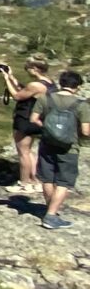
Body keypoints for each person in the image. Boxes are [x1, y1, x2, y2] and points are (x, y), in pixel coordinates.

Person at [29, 68, 85, 230]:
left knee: (47, 178)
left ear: (61, 83)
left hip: (47, 143)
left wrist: (47, 128)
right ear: (77, 86)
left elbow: (34, 119)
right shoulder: (80, 105)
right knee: (64, 181)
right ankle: (51, 216)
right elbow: (86, 131)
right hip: (69, 147)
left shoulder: (45, 99)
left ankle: (49, 209)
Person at [0, 56, 54, 194]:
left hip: (25, 119)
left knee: (23, 153)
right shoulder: (49, 83)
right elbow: (24, 90)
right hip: (39, 120)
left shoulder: (35, 85)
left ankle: (24, 183)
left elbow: (18, 96)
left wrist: (6, 80)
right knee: (29, 151)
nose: (27, 71)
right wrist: (11, 76)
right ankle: (35, 181)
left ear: (34, 69)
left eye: (27, 68)